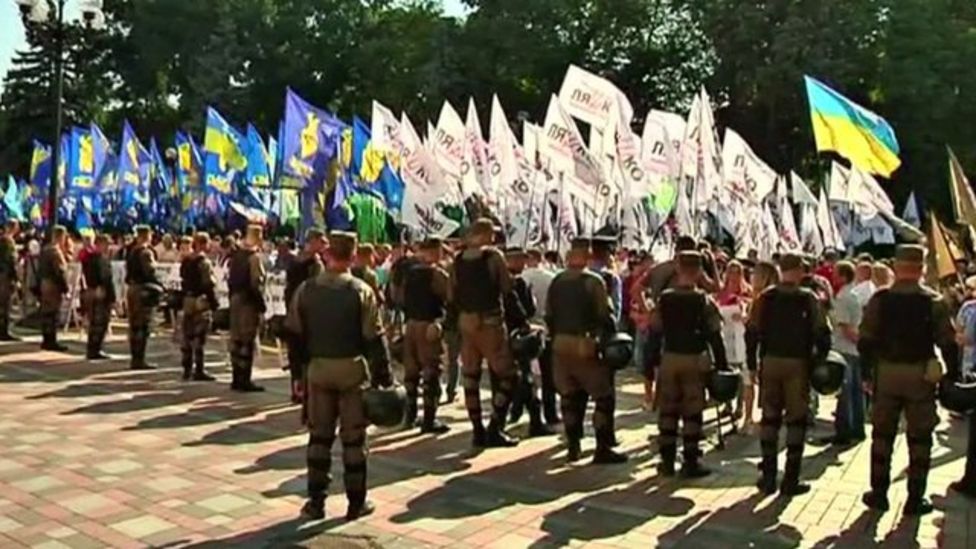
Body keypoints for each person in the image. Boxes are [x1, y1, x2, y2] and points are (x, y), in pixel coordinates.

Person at [286, 231, 393, 521]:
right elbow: (375, 338)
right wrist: (385, 378)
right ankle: (356, 503)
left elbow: (294, 335)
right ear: (354, 254)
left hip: (318, 371)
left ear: (328, 253)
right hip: (352, 371)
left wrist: (297, 374)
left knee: (319, 437)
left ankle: (316, 502)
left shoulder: (306, 290)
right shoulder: (361, 291)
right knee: (354, 440)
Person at [859, 245, 960, 516]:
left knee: (882, 435)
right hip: (919, 375)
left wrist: (867, 374)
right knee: (920, 437)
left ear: (896, 267)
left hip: (887, 372)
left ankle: (878, 493)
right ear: (922, 268)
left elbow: (865, 340)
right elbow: (948, 343)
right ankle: (916, 498)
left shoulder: (880, 300)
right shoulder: (933, 301)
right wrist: (952, 376)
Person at [746, 253, 830, 496]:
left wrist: (752, 364)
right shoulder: (808, 298)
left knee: (770, 419)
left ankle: (768, 477)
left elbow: (751, 331)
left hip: (771, 360)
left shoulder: (765, 297)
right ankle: (791, 479)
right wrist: (818, 362)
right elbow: (823, 333)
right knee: (796, 421)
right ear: (800, 270)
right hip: (797, 363)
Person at [647, 251, 728, 477]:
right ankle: (691, 461)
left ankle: (667, 460)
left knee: (668, 410)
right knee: (693, 411)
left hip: (670, 358)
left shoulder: (665, 299)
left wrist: (650, 363)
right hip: (695, 358)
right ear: (700, 272)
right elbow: (715, 336)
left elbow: (654, 333)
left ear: (678, 269)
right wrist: (722, 366)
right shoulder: (704, 301)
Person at [546, 238, 625, 464]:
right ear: (587, 257)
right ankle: (602, 448)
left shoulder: (557, 281)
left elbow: (549, 314)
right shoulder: (594, 282)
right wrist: (609, 341)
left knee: (570, 397)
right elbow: (606, 315)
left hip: (560, 345)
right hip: (585, 344)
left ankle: (573, 445)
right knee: (603, 397)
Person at [450, 218, 518, 448]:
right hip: (490, 323)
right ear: (486, 234)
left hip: (466, 323)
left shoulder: (457, 260)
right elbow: (507, 289)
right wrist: (521, 319)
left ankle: (477, 429)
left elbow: (452, 294)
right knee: (508, 375)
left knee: (470, 378)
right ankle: (495, 426)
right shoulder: (493, 257)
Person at [400, 237, 451, 434]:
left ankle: (410, 416)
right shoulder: (435, 274)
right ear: (434, 251)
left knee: (411, 373)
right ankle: (429, 419)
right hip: (428, 325)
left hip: (410, 324)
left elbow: (398, 297)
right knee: (432, 371)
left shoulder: (408, 272)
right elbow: (450, 296)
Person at [505, 247, 554, 437]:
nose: (523, 263)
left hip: (500, 336)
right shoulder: (516, 282)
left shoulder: (500, 280)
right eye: (520, 259)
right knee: (525, 379)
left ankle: (515, 415)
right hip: (519, 336)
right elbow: (527, 310)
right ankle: (533, 420)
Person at [284, 229, 326, 403]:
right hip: (308, 314)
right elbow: (318, 290)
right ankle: (306, 392)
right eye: (322, 242)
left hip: (292, 312)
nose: (325, 246)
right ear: (314, 242)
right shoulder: (315, 264)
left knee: (295, 356)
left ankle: (296, 390)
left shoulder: (294, 260)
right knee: (307, 356)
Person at [828, 261, 865, 445]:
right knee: (856, 392)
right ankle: (858, 428)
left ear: (843, 276)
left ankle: (845, 431)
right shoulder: (855, 293)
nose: (833, 276)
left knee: (845, 392)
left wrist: (858, 342)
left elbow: (845, 327)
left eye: (836, 273)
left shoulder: (843, 298)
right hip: (854, 351)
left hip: (844, 349)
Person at [227, 224, 267, 392]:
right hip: (248, 303)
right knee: (246, 341)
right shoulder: (254, 258)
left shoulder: (236, 256)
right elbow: (255, 283)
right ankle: (244, 379)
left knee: (236, 339)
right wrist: (261, 305)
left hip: (235, 300)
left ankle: (236, 378)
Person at [179, 232, 219, 381]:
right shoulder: (204, 262)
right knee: (199, 337)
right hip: (200, 301)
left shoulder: (186, 261)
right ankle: (199, 369)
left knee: (187, 335)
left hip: (187, 300)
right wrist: (214, 303)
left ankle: (186, 368)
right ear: (202, 244)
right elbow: (208, 284)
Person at [717, 260, 751, 427]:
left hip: (741, 334)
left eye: (737, 272)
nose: (734, 275)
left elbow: (751, 311)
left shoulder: (747, 291)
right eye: (731, 272)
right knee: (727, 368)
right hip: (726, 333)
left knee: (742, 371)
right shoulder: (721, 292)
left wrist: (744, 315)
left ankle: (740, 406)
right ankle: (728, 404)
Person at [125, 225, 162, 370]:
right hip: (143, 290)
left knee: (134, 325)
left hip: (132, 289)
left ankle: (135, 357)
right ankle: (139, 359)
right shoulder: (146, 252)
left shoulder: (131, 251)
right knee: (142, 326)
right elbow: (150, 271)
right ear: (147, 235)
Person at [81, 234, 114, 360]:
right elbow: (105, 278)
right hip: (100, 293)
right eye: (107, 244)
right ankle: (94, 349)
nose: (109, 247)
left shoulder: (91, 258)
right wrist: (110, 294)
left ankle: (94, 348)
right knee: (99, 322)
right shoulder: (99, 259)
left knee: (96, 322)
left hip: (94, 291)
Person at [38, 225, 70, 352]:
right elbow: (60, 271)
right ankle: (51, 340)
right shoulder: (55, 252)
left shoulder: (45, 250)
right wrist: (65, 287)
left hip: (44, 283)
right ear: (60, 236)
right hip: (53, 285)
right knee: (52, 314)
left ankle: (46, 339)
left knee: (46, 313)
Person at [0, 220, 19, 341]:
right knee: (4, 305)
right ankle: (3, 331)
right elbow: (12, 261)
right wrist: (16, 278)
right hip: (4, 276)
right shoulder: (8, 241)